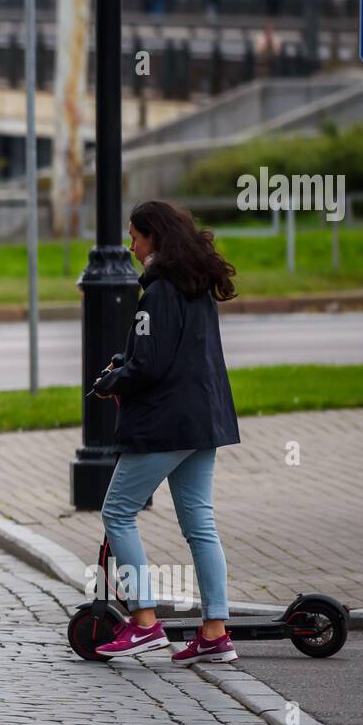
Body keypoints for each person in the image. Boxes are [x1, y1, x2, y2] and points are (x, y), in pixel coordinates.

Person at [90, 200, 241, 664]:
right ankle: (215, 632)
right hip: (203, 420)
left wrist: (110, 380)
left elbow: (150, 366)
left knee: (117, 512)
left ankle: (144, 622)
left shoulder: (158, 291)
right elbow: (170, 355)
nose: (130, 246)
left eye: (134, 237)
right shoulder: (194, 284)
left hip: (166, 423)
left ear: (154, 236)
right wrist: (128, 362)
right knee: (200, 524)